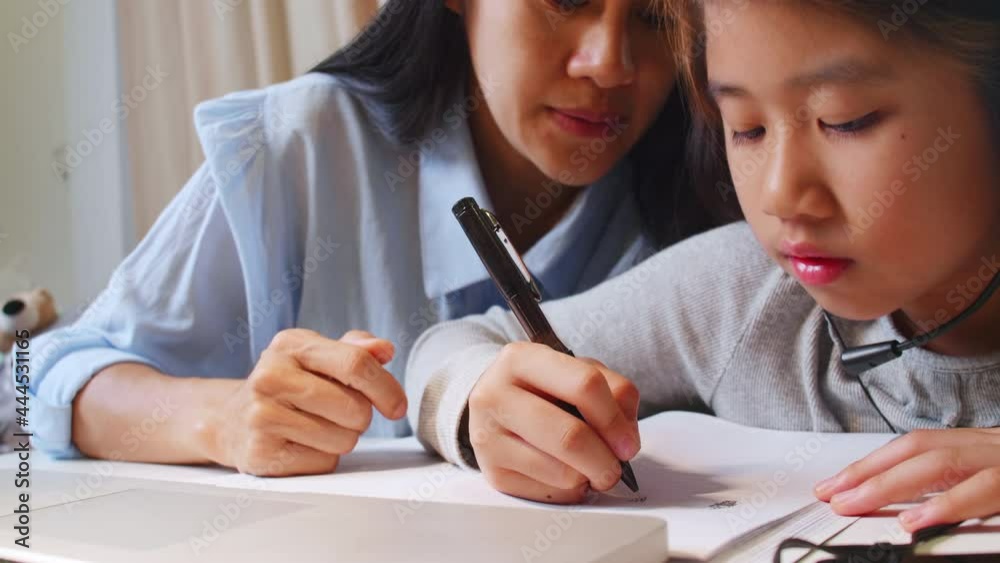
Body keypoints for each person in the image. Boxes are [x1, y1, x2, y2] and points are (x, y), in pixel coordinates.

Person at [29, 0, 727, 477]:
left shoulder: (715, 210)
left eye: (654, 16)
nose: (609, 64)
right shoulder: (297, 148)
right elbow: (46, 379)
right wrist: (222, 419)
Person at [406, 0, 1000, 531]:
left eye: (843, 120)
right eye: (747, 129)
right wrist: (483, 401)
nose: (780, 194)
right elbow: (461, 343)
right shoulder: (749, 295)